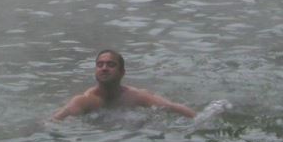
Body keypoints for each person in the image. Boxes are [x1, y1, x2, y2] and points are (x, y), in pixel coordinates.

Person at [51, 49, 196, 120]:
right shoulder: (85, 101)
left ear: (122, 72)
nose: (104, 68)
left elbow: (173, 107)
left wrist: (199, 121)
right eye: (100, 65)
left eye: (111, 64)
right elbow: (54, 121)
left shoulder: (136, 96)